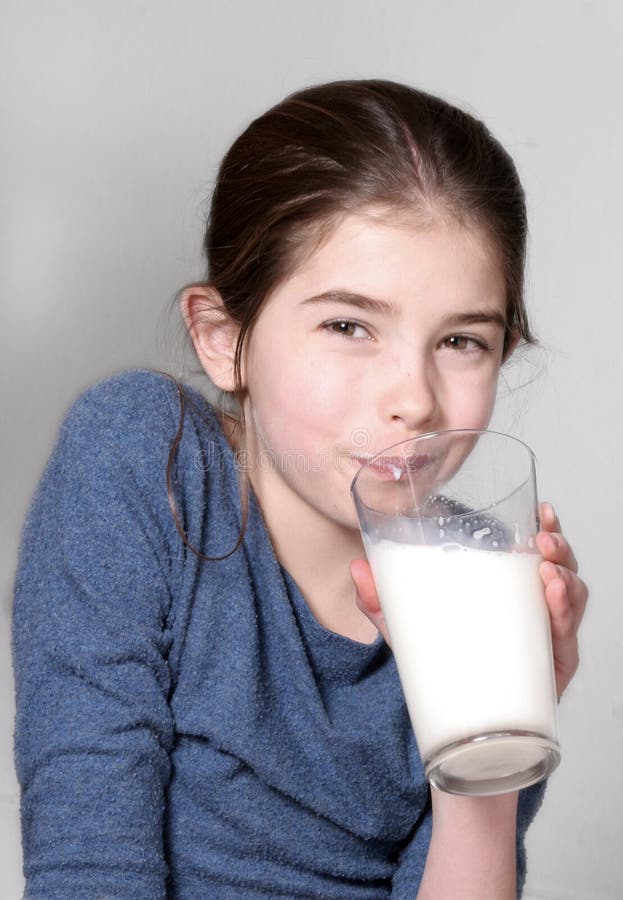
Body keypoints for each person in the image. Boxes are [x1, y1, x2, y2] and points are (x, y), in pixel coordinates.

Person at [12, 79, 587, 899]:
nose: (414, 399)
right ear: (223, 340)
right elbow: (87, 865)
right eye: (349, 326)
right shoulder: (151, 461)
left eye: (460, 340)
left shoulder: (479, 580)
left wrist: (495, 745)